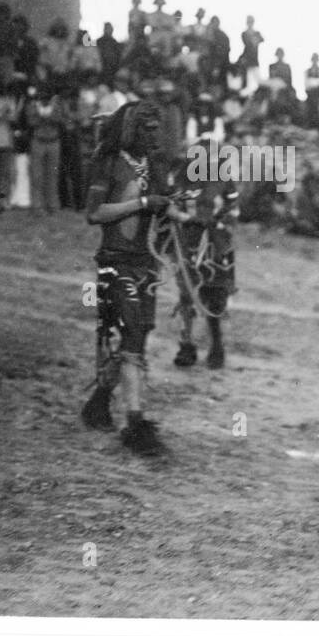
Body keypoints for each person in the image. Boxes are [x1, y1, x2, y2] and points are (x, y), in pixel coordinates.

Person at [80, 100, 192, 453]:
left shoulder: (153, 165)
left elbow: (165, 205)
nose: (156, 135)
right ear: (132, 130)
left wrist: (186, 218)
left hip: (146, 263)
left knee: (137, 336)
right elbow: (95, 213)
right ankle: (135, 420)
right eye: (149, 129)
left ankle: (99, 400)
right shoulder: (109, 162)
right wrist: (143, 204)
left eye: (157, 128)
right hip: (116, 260)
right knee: (131, 331)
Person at [169, 144, 239, 370]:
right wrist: (185, 219)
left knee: (215, 294)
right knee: (187, 293)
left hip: (216, 244)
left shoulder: (224, 179)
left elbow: (234, 209)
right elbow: (171, 206)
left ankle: (217, 345)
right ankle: (186, 345)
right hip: (188, 242)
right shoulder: (183, 178)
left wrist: (220, 222)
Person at [25, 88, 67, 214]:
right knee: (37, 175)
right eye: (43, 99)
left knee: (52, 175)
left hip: (54, 141)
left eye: (47, 99)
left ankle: (52, 206)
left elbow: (60, 120)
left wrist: (45, 116)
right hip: (38, 141)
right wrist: (44, 116)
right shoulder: (33, 106)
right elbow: (31, 122)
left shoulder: (57, 105)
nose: (45, 101)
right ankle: (37, 206)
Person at [96, 21, 123, 88]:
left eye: (110, 28)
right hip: (102, 69)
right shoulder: (99, 41)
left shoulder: (115, 42)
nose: (109, 30)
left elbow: (118, 56)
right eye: (107, 28)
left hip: (112, 70)